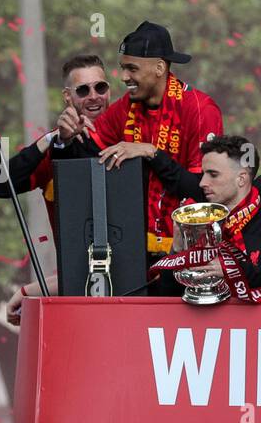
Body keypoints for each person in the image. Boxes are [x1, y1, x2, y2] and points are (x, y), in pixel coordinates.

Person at [51, 20, 223, 261]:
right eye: (122, 68)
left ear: (160, 68)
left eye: (132, 69)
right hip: (134, 249)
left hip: (189, 250)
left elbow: (205, 191)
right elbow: (89, 158)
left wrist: (152, 153)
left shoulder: (200, 109)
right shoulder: (125, 107)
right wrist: (66, 140)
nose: (123, 77)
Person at [157, 135, 261, 298]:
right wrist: (176, 251)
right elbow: (166, 296)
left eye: (213, 174)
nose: (202, 183)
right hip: (204, 322)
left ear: (241, 179)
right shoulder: (198, 222)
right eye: (203, 174)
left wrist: (234, 270)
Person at [0, 53, 111, 223]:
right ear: (67, 96)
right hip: (75, 248)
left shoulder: (128, 132)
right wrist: (49, 139)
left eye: (100, 87)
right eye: (83, 90)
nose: (93, 96)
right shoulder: (55, 144)